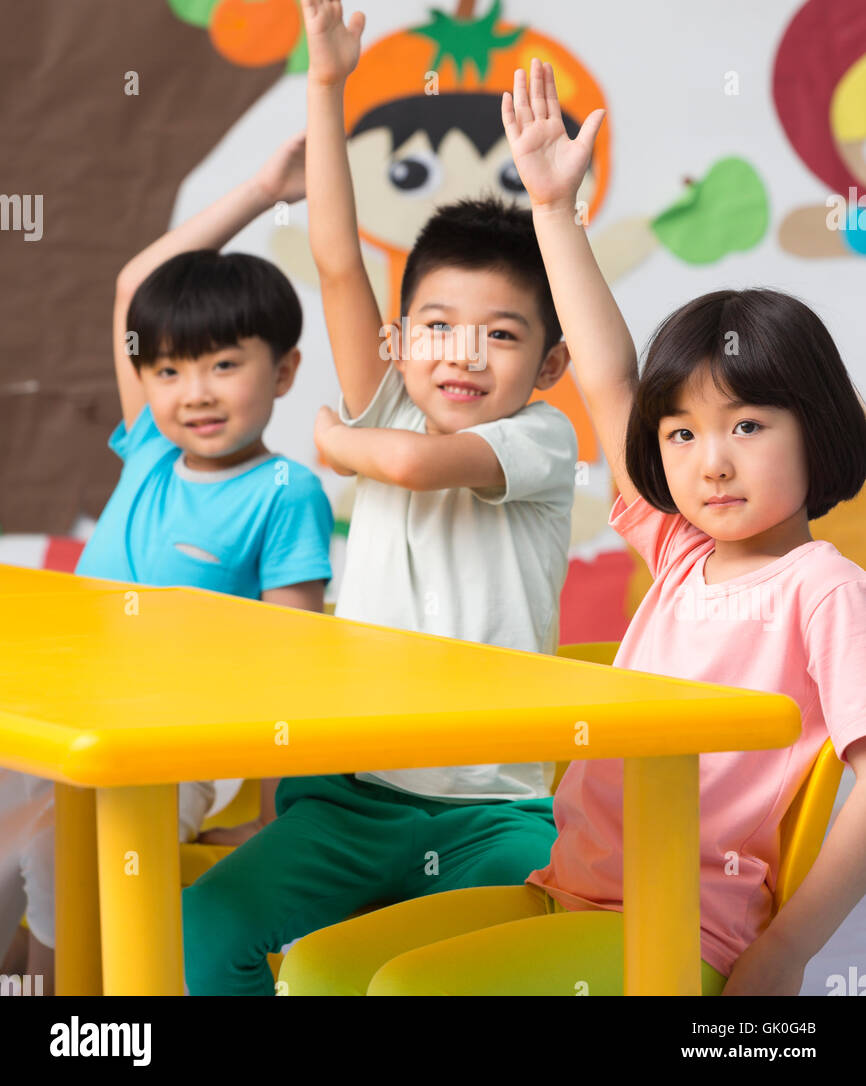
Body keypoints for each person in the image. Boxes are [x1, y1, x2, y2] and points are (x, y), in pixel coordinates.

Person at [280, 58, 866, 996]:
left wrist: (786, 951)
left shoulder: (824, 589)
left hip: (675, 927)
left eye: (747, 425)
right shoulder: (681, 556)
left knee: (402, 991)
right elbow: (608, 383)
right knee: (317, 969)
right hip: (566, 888)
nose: (710, 460)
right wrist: (553, 206)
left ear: (820, 424)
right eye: (681, 434)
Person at [181, 0, 578, 996]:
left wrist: (333, 441)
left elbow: (407, 463)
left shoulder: (538, 440)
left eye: (498, 336)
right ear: (402, 342)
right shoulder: (394, 386)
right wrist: (324, 82)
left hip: (494, 809)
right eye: (437, 326)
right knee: (202, 928)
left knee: (407, 980)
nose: (461, 352)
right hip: (353, 795)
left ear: (547, 364)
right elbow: (335, 259)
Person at [0, 136, 334, 993]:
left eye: (226, 366)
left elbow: (291, 661)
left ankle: (61, 1002)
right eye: (171, 370)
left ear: (284, 370)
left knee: (47, 841)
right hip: (53, 719)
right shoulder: (149, 448)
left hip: (165, 750)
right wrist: (262, 189)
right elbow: (132, 290)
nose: (196, 392)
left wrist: (273, 818)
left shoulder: (284, 492)